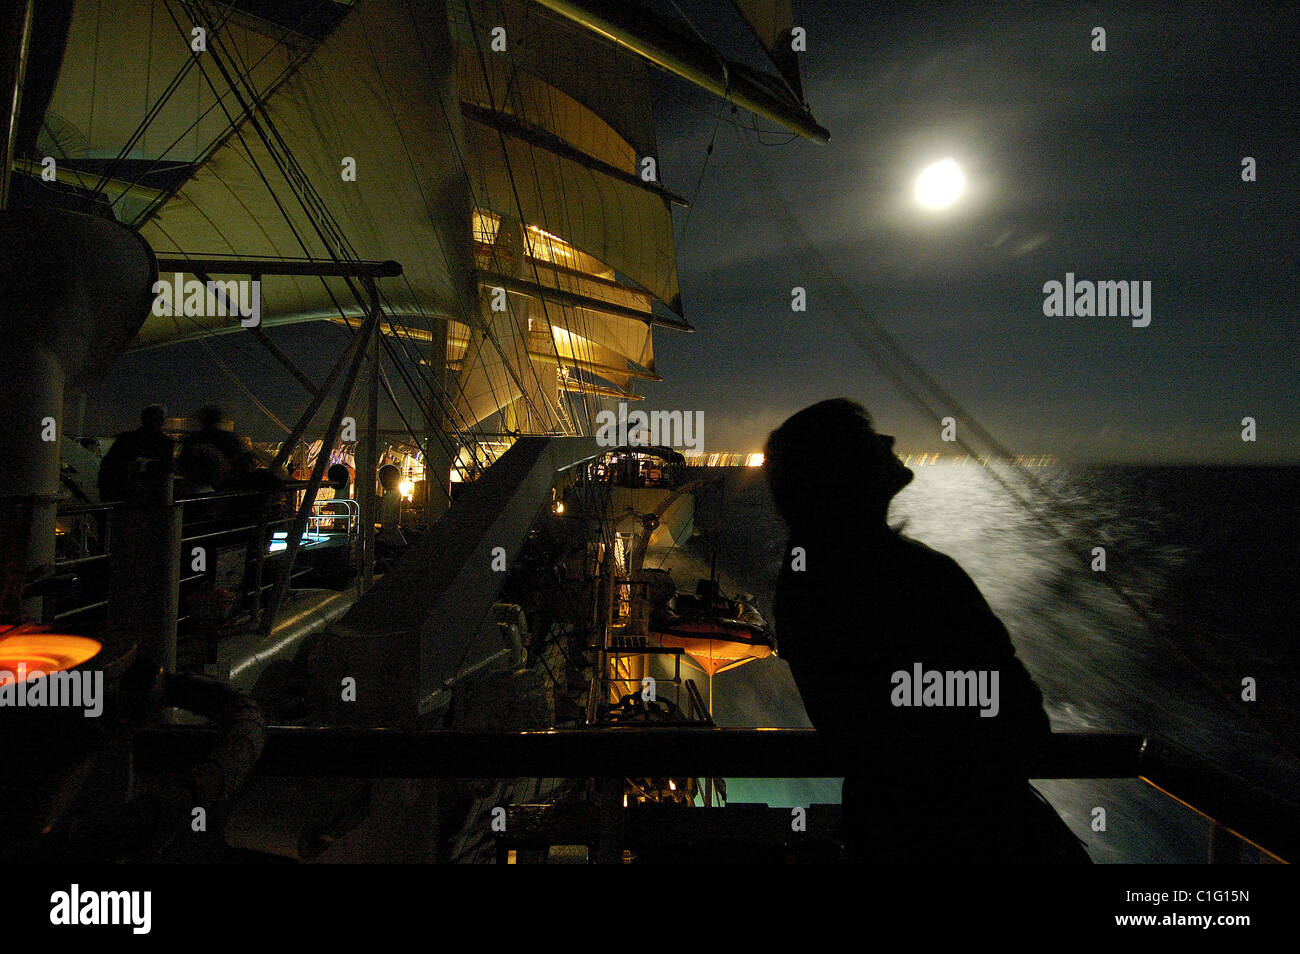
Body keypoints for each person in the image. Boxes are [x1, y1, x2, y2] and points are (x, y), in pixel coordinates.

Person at [765, 398, 1086, 863]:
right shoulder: (920, 577)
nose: (888, 440)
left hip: (885, 832)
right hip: (985, 836)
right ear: (841, 468)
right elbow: (1020, 716)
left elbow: (861, 726)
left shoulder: (801, 584)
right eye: (866, 436)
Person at [97, 404, 175, 501]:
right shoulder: (166, 443)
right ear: (163, 421)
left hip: (125, 497)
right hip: (150, 500)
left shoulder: (125, 439)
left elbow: (108, 466)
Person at [178, 405, 253, 492]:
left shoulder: (192, 439)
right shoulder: (229, 439)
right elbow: (243, 464)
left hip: (197, 487)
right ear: (218, 420)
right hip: (224, 489)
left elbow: (182, 464)